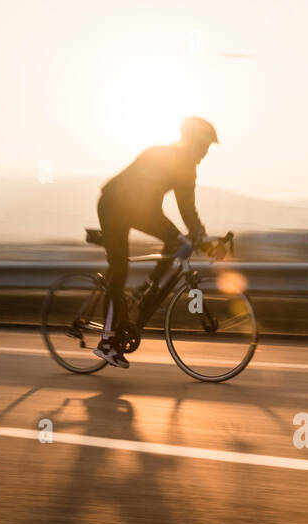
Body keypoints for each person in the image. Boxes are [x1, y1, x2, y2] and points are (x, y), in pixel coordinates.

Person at [93, 116, 219, 366]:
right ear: (191, 142)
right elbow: (141, 200)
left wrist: (203, 239)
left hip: (140, 210)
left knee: (177, 243)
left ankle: (146, 288)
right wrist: (194, 237)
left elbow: (188, 211)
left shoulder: (188, 170)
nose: (205, 153)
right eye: (204, 147)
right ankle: (106, 341)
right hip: (114, 206)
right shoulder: (159, 156)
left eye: (208, 149)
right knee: (120, 270)